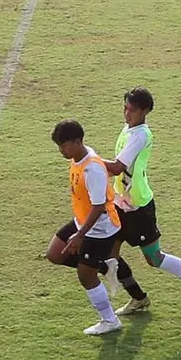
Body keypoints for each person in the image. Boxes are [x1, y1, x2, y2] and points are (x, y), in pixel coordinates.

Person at [106, 88, 181, 315]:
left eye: (132, 110)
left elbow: (117, 167)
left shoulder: (140, 135)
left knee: (154, 258)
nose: (126, 114)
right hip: (120, 204)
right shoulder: (129, 128)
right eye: (125, 108)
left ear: (145, 111)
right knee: (109, 253)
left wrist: (87, 161)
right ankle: (138, 298)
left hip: (138, 207)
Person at [51, 119, 127, 336]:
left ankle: (110, 320)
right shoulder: (79, 158)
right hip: (83, 222)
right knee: (54, 254)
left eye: (64, 145)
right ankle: (104, 266)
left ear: (77, 142)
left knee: (85, 276)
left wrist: (79, 235)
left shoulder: (92, 169)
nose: (61, 150)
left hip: (99, 229)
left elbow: (99, 207)